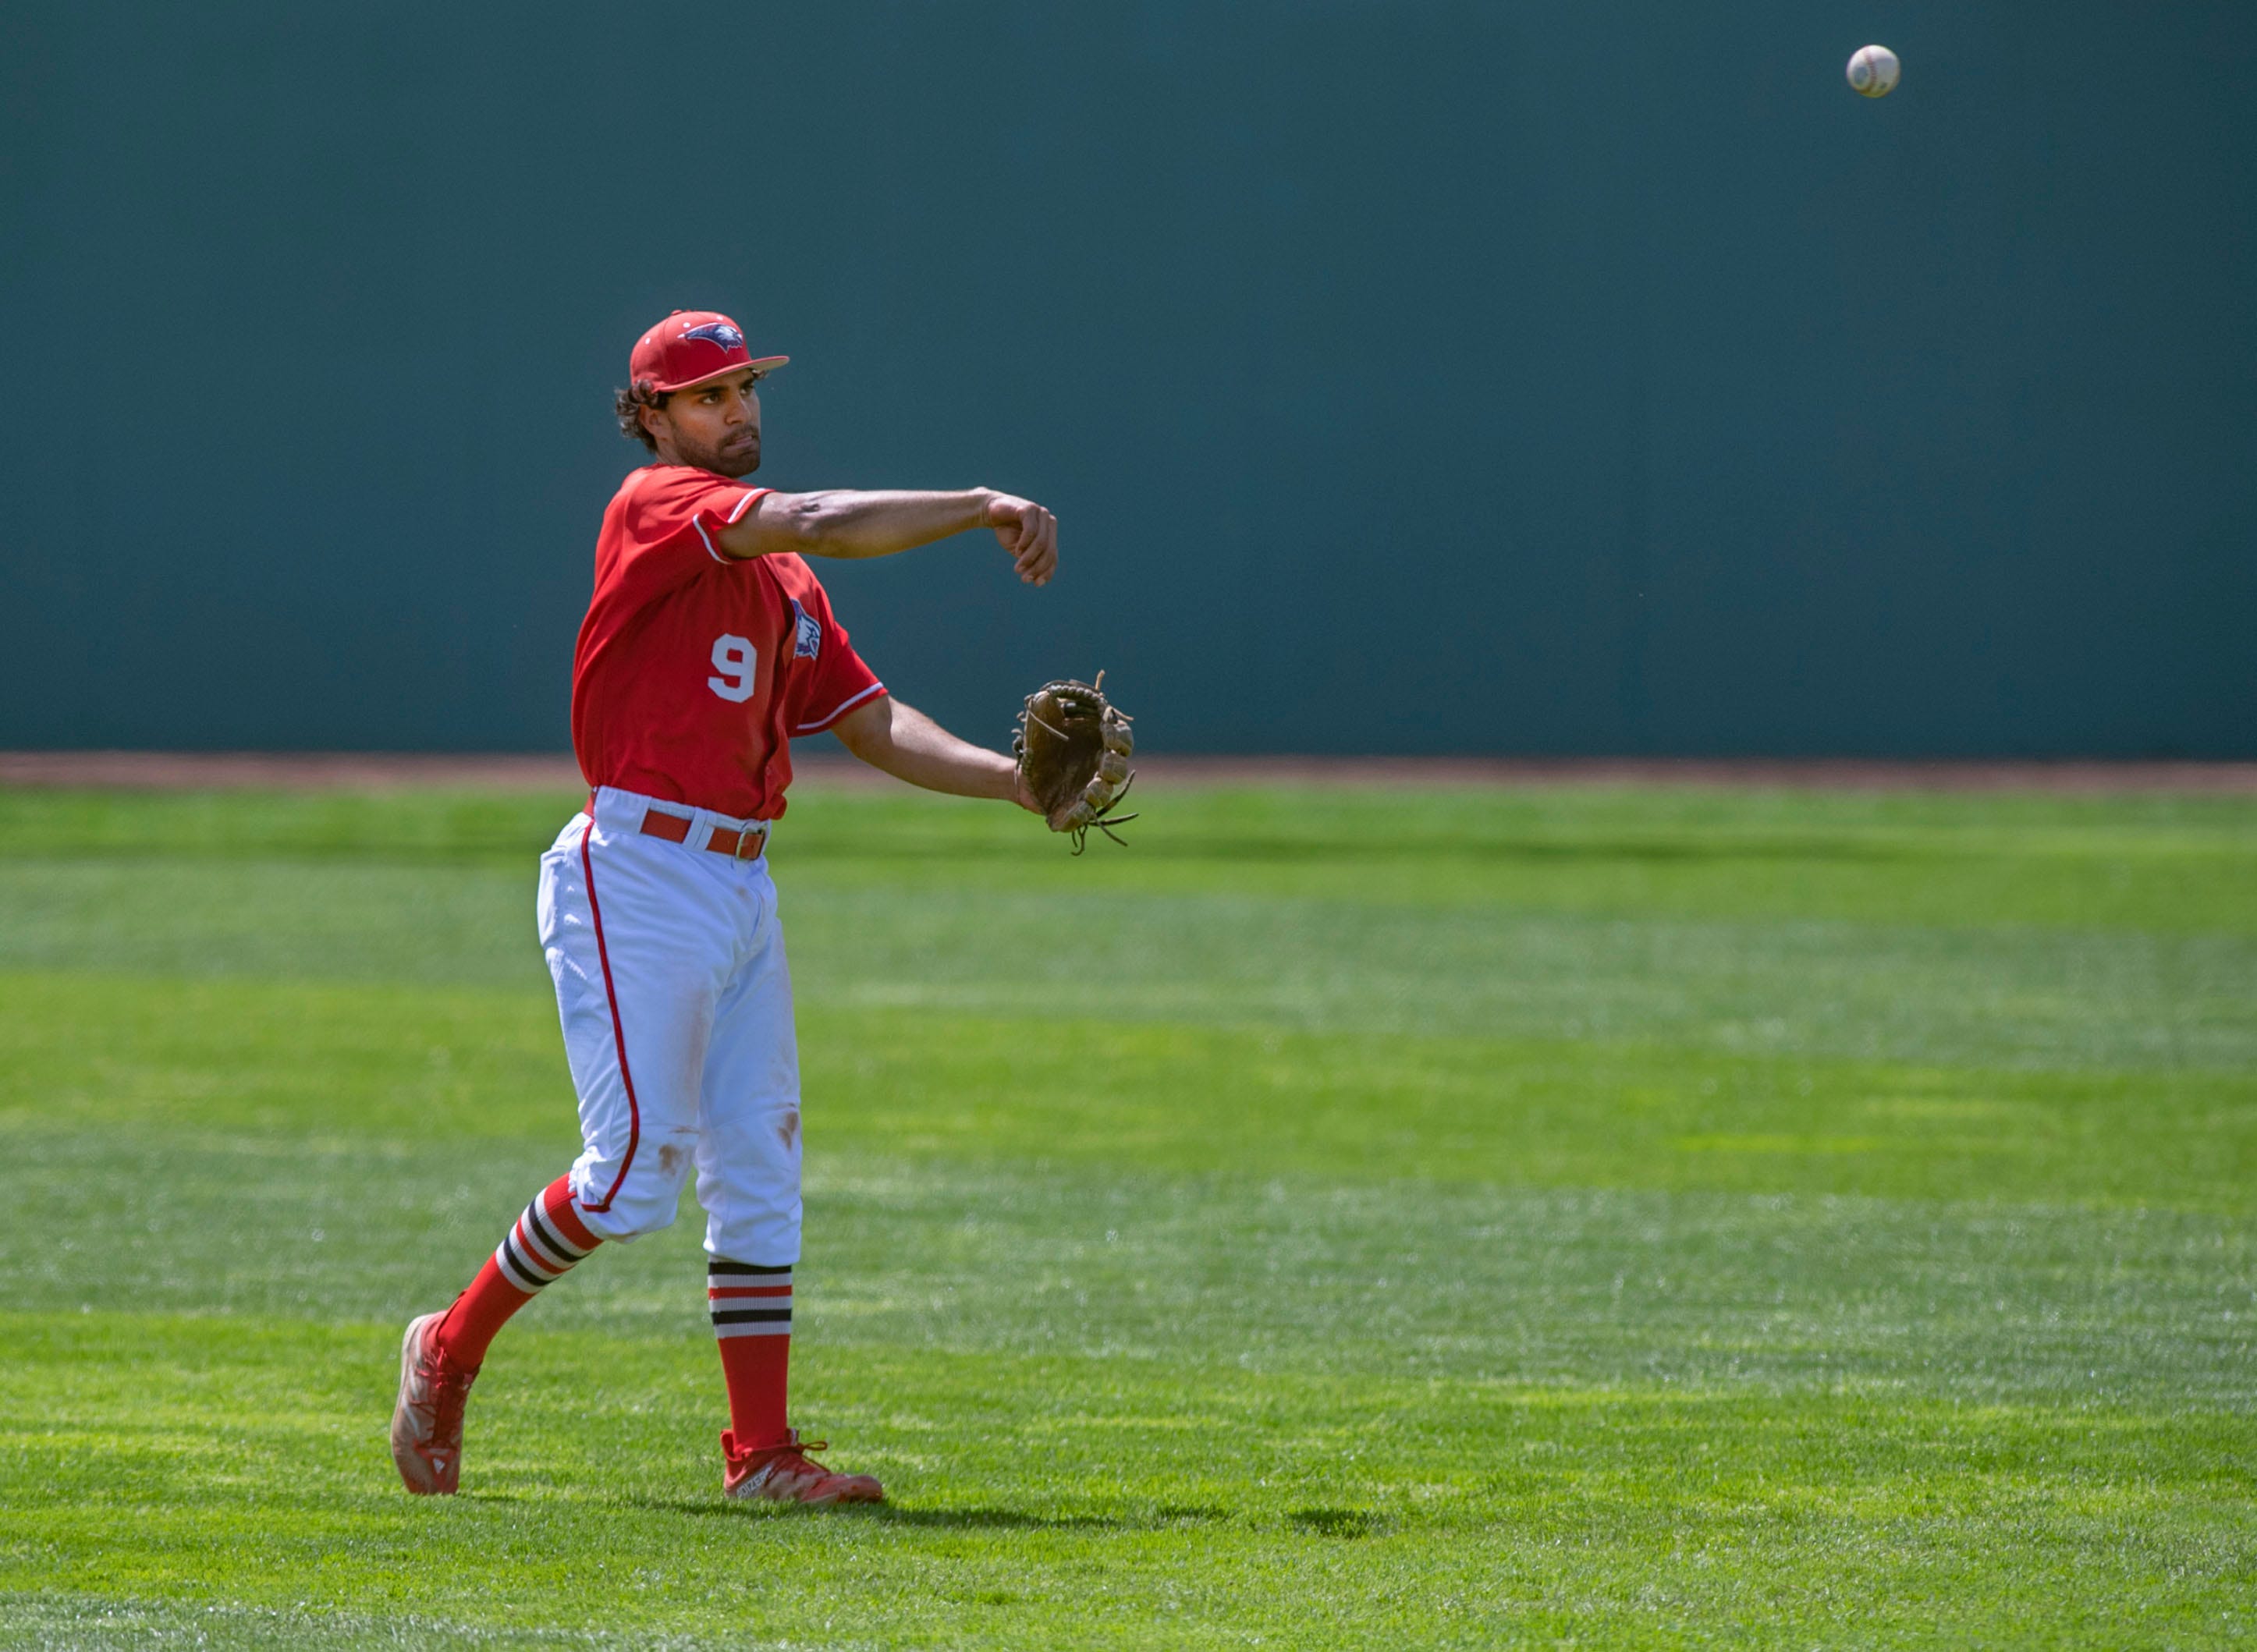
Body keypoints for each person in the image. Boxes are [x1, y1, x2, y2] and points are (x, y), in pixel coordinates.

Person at [389, 309, 1057, 1505]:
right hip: (636, 870)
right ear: (652, 417)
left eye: (743, 388)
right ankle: (448, 1345)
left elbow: (871, 723)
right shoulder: (658, 505)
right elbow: (811, 515)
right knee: (634, 1173)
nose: (735, 411)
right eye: (705, 396)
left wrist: (1014, 785)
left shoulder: (785, 583)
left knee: (756, 1164)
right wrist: (977, 502)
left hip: (743, 880)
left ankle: (764, 1458)